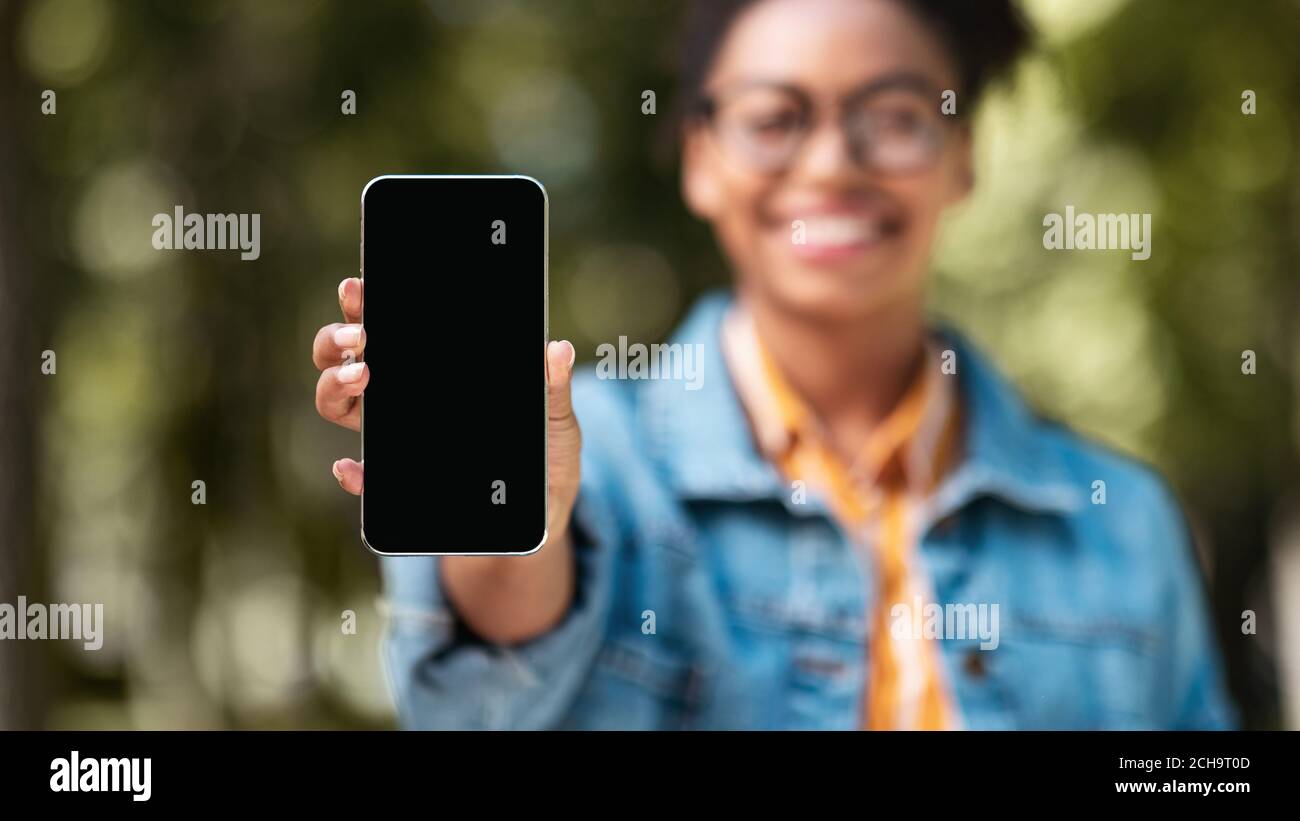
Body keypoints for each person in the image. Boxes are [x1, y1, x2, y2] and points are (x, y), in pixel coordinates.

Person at [311, 0, 1235, 729]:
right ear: (699, 159)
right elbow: (489, 701)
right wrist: (505, 517)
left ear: (962, 156)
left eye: (897, 115)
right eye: (773, 118)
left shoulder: (1123, 526)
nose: (833, 162)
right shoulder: (592, 458)